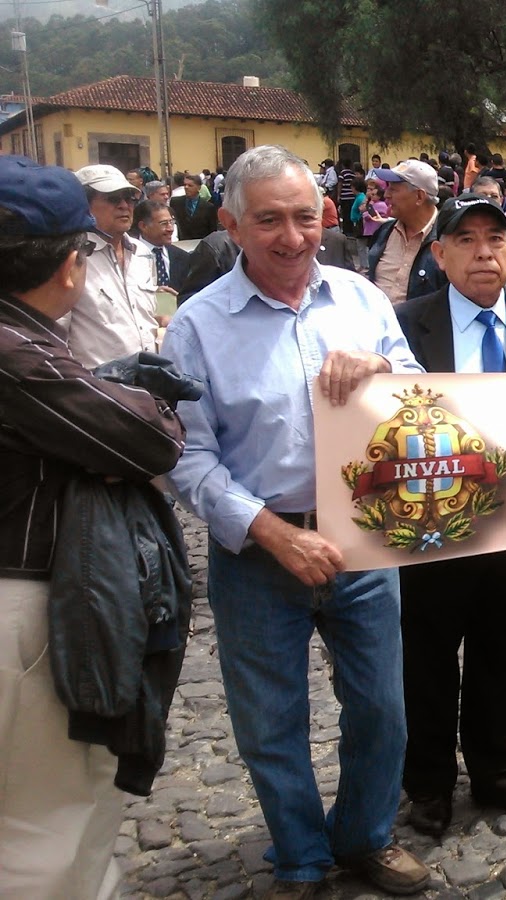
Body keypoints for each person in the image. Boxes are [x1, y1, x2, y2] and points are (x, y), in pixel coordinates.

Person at [163, 146, 431, 898]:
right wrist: (273, 534)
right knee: (271, 721)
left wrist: (380, 370)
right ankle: (301, 856)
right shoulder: (197, 326)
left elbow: (419, 389)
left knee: (382, 709)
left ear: (328, 216)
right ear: (232, 226)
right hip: (258, 553)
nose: (291, 236)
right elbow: (186, 457)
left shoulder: (361, 300)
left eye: (305, 216)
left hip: (363, 536)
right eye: (270, 220)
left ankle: (367, 838)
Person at [0, 155, 187, 900]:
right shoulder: (19, 353)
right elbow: (151, 440)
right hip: (24, 601)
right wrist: (136, 415)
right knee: (46, 827)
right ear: (71, 266)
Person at [392, 194, 506, 837]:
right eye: (465, 240)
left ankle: (500, 772)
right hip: (431, 529)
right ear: (439, 253)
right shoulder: (403, 324)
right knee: (427, 661)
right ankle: (428, 785)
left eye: (495, 239)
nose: (483, 252)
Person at [71, 165, 159, 367]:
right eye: (112, 198)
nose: (124, 206)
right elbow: (55, 338)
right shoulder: (71, 258)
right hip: (97, 390)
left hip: (148, 388)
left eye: (129, 198)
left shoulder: (142, 253)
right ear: (84, 205)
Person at [368, 159, 447, 304]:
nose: (386, 194)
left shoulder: (447, 239)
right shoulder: (384, 232)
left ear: (419, 196)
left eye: (393, 189)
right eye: (387, 188)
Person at [133, 199, 189, 294]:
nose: (170, 229)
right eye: (164, 224)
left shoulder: (182, 257)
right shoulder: (129, 256)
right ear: (143, 226)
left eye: (171, 222)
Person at [171, 173, 218, 239]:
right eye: (185, 185)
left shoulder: (208, 207)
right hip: (181, 243)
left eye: (190, 185)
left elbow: (212, 230)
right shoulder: (175, 202)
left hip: (200, 242)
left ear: (199, 188)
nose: (186, 187)